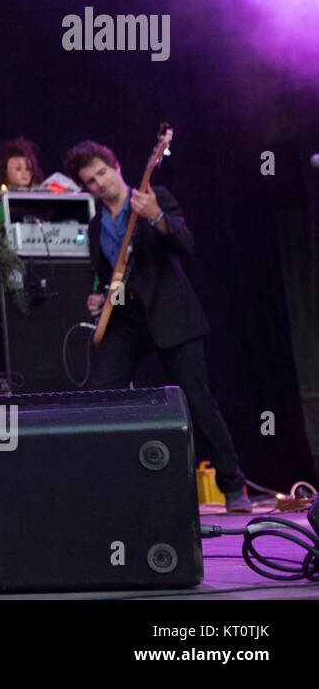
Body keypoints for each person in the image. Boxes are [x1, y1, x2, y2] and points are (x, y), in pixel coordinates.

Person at [63, 140, 251, 512]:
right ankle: (112, 486)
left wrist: (156, 217)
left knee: (199, 401)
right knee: (105, 394)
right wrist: (103, 300)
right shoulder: (97, 224)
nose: (100, 183)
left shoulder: (154, 196)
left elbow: (186, 244)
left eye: (102, 173)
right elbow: (109, 280)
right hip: (127, 319)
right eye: (91, 181)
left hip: (169, 312)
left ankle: (233, 486)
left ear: (116, 166)